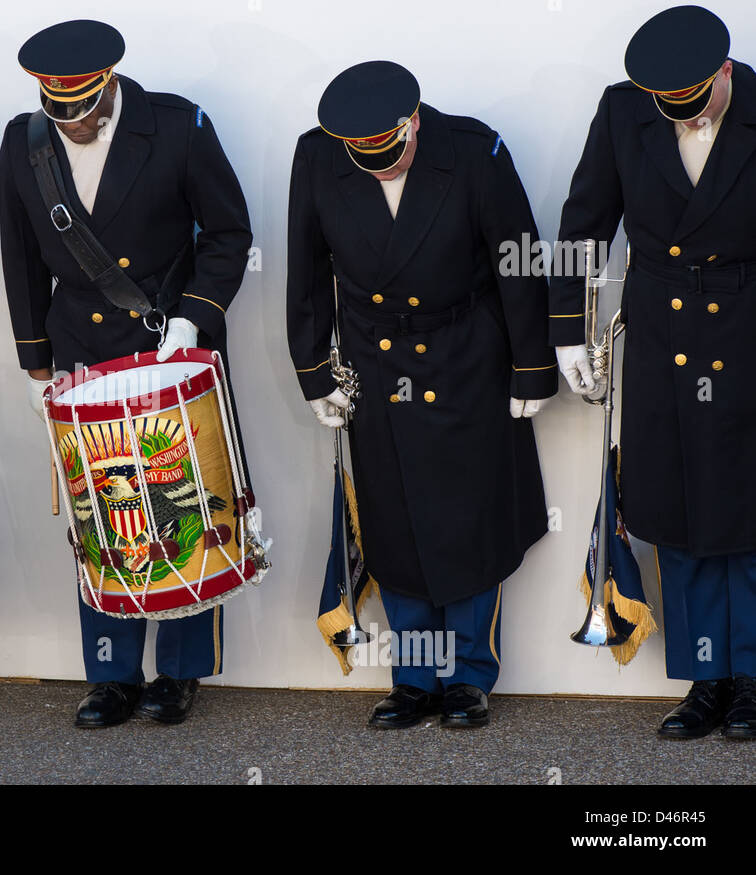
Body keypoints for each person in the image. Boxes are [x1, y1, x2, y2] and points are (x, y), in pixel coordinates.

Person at [0, 19, 252, 727]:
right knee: (101, 513)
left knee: (184, 503)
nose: (71, 125)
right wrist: (35, 363)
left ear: (106, 87)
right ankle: (111, 673)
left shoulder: (178, 126)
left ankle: (178, 671)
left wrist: (195, 316)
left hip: (171, 342)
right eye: (59, 113)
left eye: (81, 110)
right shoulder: (24, 144)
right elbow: (18, 257)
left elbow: (230, 232)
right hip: (82, 348)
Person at [287, 60, 556, 729]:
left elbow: (518, 260)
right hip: (376, 368)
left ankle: (468, 675)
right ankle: (412, 678)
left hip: (465, 357)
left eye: (392, 153)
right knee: (394, 520)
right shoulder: (318, 157)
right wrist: (314, 370)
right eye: (364, 159)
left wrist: (532, 368)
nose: (379, 168)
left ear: (413, 122)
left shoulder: (473, 149)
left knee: (467, 520)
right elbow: (306, 270)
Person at [552, 5, 755, 739]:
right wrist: (567, 332)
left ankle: (753, 680)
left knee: (746, 513)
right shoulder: (622, 110)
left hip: (747, 331)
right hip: (663, 335)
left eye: (695, 104)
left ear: (724, 73)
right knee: (680, 511)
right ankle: (707, 678)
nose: (682, 118)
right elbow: (582, 225)